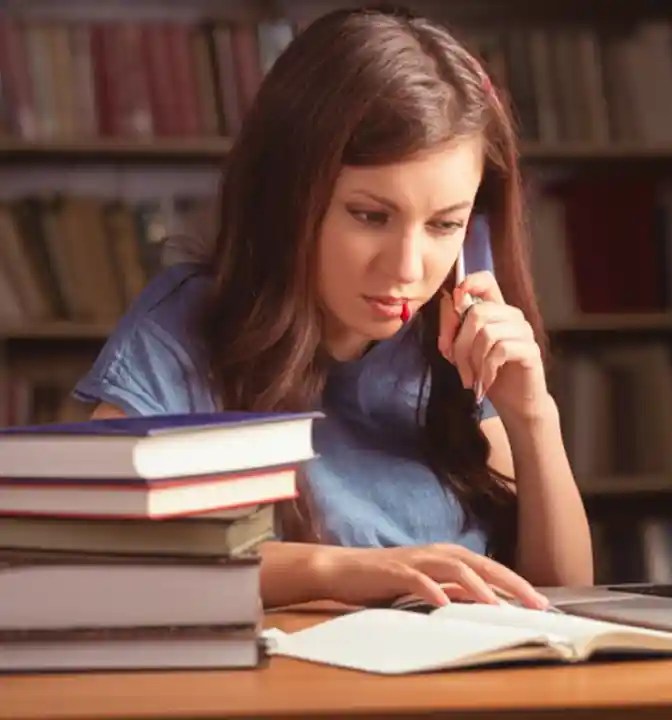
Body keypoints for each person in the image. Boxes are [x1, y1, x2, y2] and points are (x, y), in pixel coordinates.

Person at [71, 6, 592, 610]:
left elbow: (564, 595)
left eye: (444, 225)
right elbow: (107, 551)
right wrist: (338, 571)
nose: (406, 267)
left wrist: (533, 417)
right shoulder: (186, 328)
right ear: (290, 197)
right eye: (371, 216)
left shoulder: (452, 345)